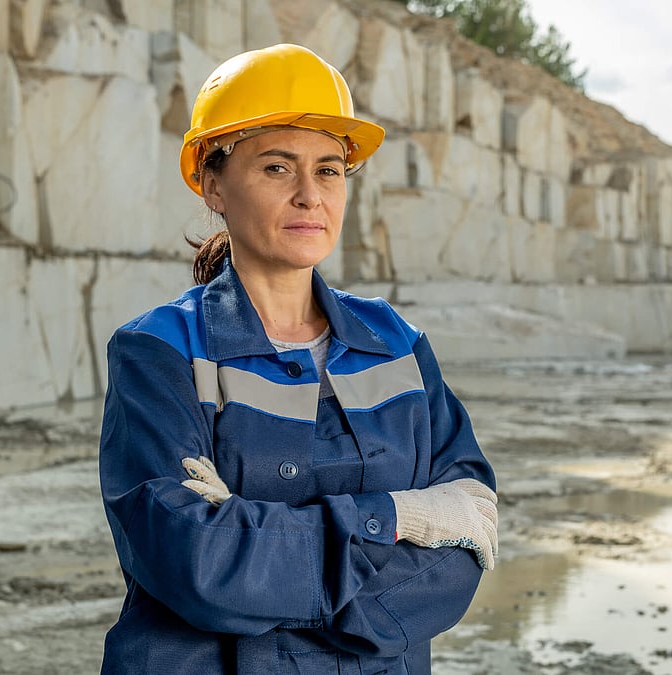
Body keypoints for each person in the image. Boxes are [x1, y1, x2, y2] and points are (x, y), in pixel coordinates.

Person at [98, 43, 498, 674]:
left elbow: (464, 550)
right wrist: (397, 517)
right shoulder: (159, 353)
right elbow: (195, 563)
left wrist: (255, 543)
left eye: (331, 169)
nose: (311, 196)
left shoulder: (397, 346)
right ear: (213, 184)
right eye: (278, 168)